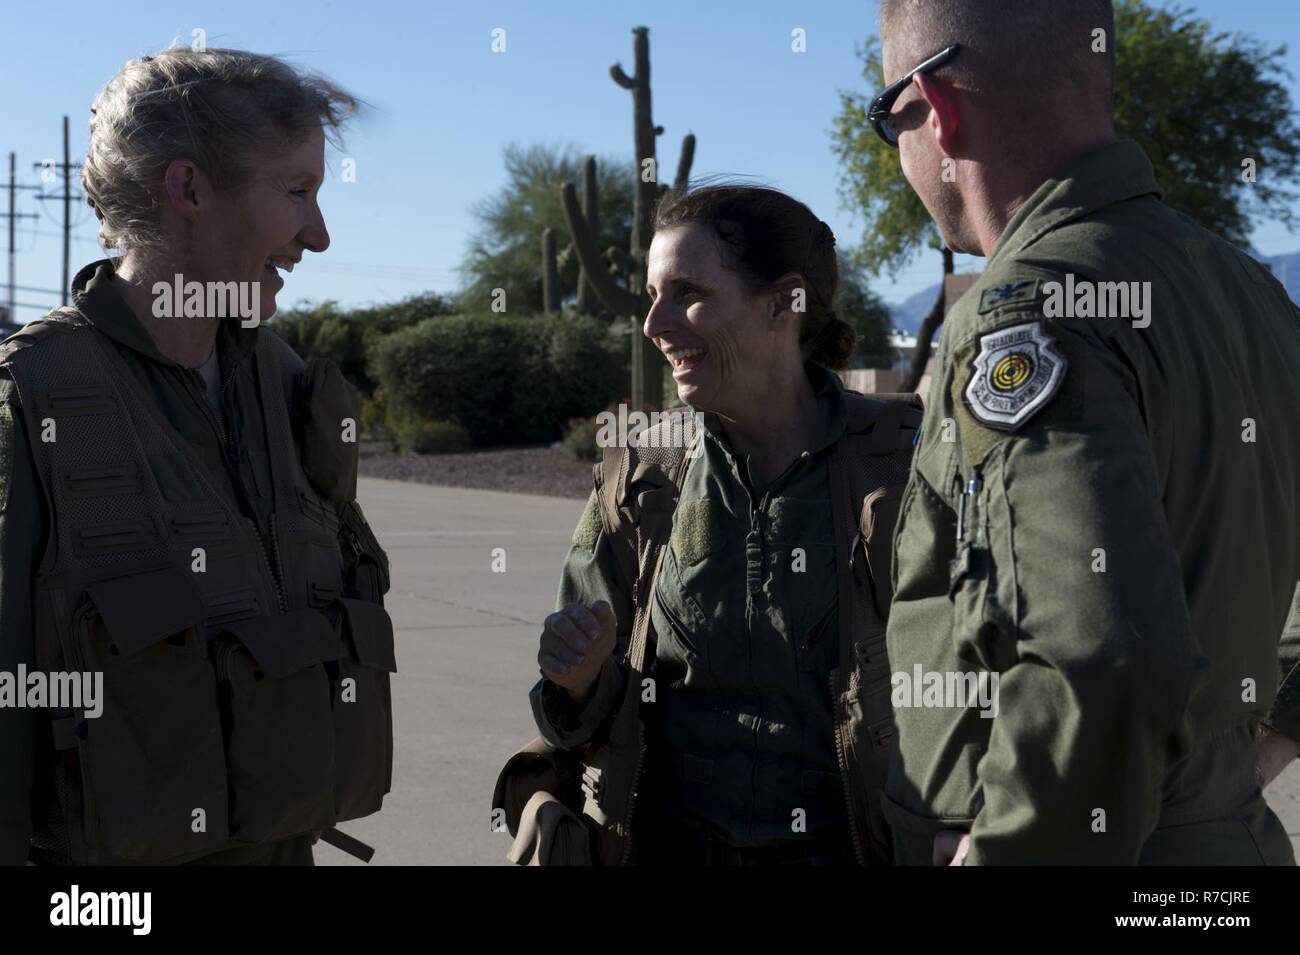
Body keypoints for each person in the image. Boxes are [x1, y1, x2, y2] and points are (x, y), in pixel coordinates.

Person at [874, 0, 1300, 864]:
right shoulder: (1251, 292)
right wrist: (1273, 731)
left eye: (892, 121)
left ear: (938, 107)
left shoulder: (1026, 309)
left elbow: (1092, 656)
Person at [0, 48, 395, 866]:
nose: (317, 235)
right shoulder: (35, 399)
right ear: (188, 191)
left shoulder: (290, 388)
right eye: (296, 192)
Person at [524, 184, 921, 865]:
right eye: (652, 293)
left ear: (782, 302)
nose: (654, 321)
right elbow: (595, 717)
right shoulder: (639, 473)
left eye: (686, 292)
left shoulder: (907, 459)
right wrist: (579, 676)